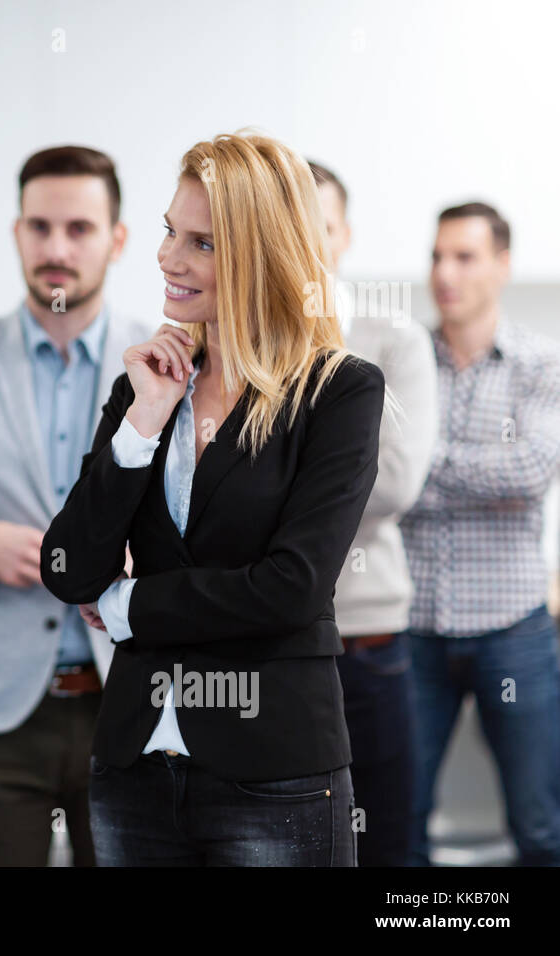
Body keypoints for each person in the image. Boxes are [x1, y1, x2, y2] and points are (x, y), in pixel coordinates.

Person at [41, 131, 385, 867]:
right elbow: (68, 568)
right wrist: (143, 420)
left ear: (261, 254)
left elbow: (291, 589)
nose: (168, 258)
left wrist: (132, 608)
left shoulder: (338, 391)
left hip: (276, 775)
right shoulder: (147, 388)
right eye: (170, 231)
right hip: (134, 769)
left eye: (201, 242)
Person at [0, 145, 149, 866]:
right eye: (39, 227)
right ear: (17, 233)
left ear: (117, 239)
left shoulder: (176, 362)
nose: (56, 248)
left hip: (134, 698)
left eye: (79, 229)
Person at [399, 201, 560, 866]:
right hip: (413, 632)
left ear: (502, 265)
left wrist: (423, 462)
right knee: (396, 820)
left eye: (464, 256)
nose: (445, 272)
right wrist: (438, 472)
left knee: (539, 823)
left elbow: (532, 469)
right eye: (437, 256)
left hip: (512, 632)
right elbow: (377, 482)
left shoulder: (538, 363)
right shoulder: (402, 363)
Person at [311, 160, 437, 866]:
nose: (306, 242)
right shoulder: (239, 342)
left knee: (388, 849)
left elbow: (394, 485)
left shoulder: (394, 339)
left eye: (320, 226)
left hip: (367, 641)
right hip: (271, 649)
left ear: (345, 234)